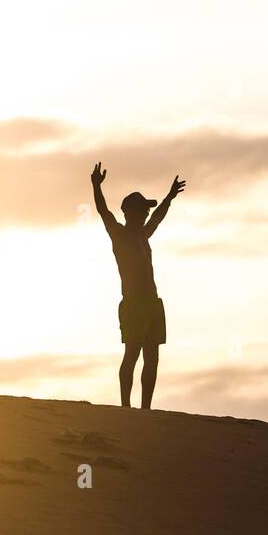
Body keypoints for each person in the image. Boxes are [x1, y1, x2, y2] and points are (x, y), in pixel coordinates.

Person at [90, 162, 187, 409]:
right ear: (130, 212)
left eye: (146, 210)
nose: (146, 213)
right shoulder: (119, 235)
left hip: (152, 303)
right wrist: (96, 186)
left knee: (152, 358)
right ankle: (125, 406)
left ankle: (146, 408)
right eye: (142, 209)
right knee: (132, 354)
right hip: (133, 304)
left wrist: (170, 197)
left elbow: (158, 217)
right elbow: (103, 212)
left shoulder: (143, 235)